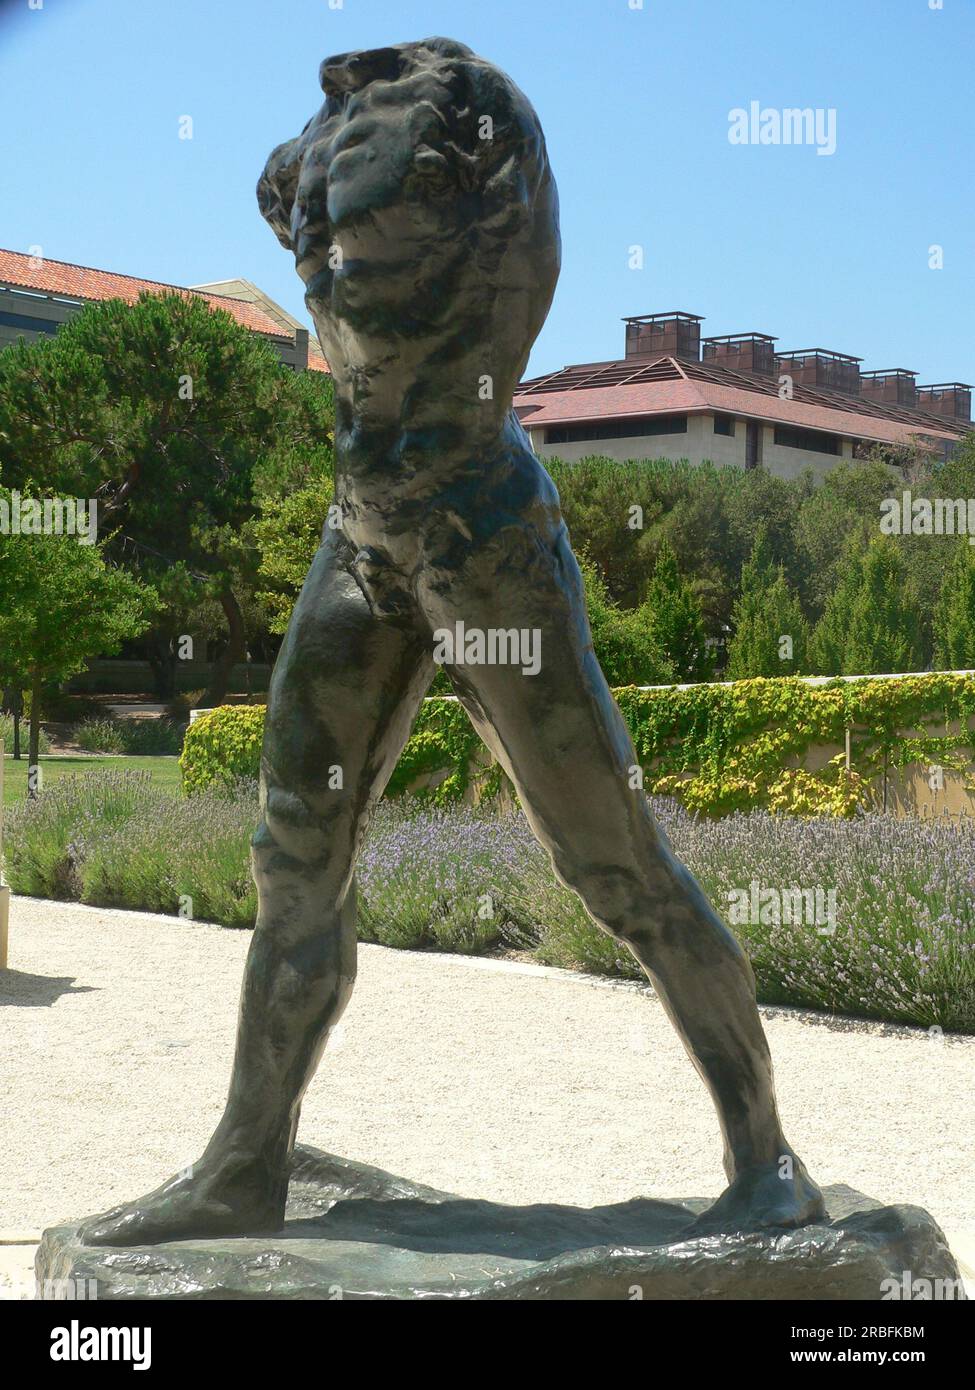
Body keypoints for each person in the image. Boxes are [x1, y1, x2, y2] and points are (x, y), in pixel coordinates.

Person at [83, 37, 823, 1246]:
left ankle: (768, 1158)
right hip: (363, 534)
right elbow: (292, 199)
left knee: (614, 864)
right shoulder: (335, 164)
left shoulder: (485, 148)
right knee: (293, 855)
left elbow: (497, 237)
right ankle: (242, 1162)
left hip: (481, 534)